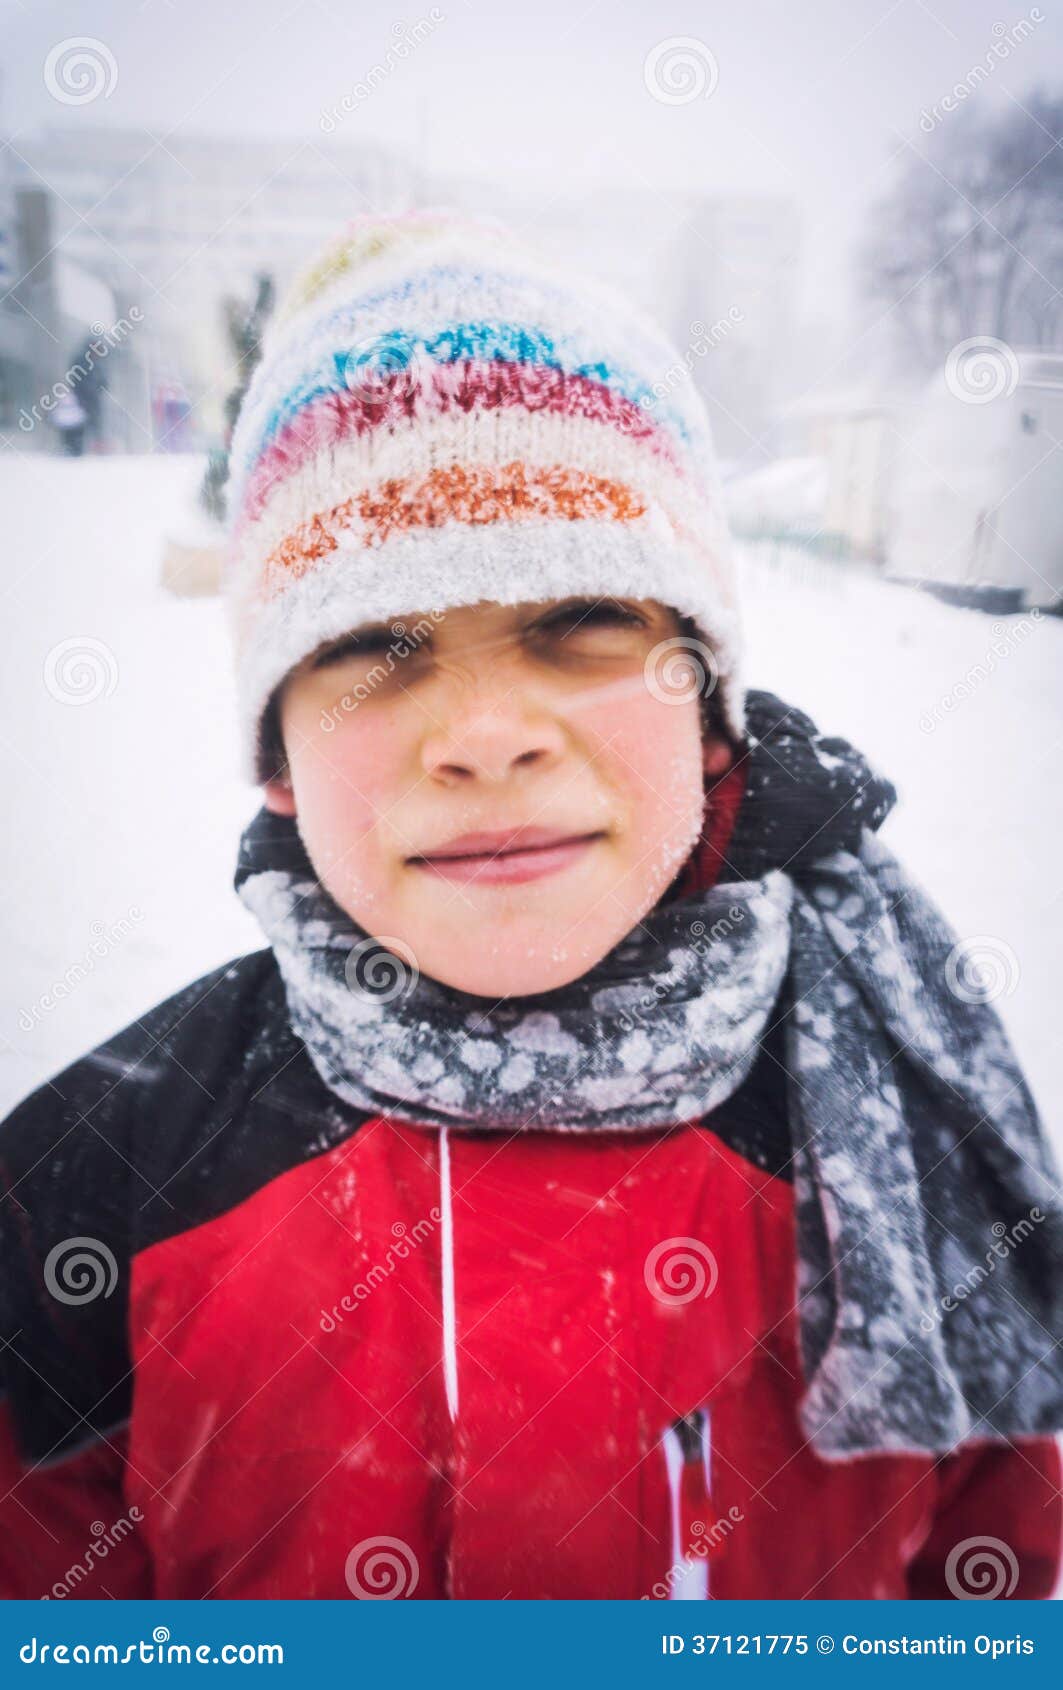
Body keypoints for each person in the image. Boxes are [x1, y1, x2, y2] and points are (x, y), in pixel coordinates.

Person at [2, 211, 1062, 1602]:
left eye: (580, 623)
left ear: (712, 713)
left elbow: (991, 1558)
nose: (488, 732)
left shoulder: (906, 1122)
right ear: (276, 754)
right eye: (378, 644)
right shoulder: (88, 1181)